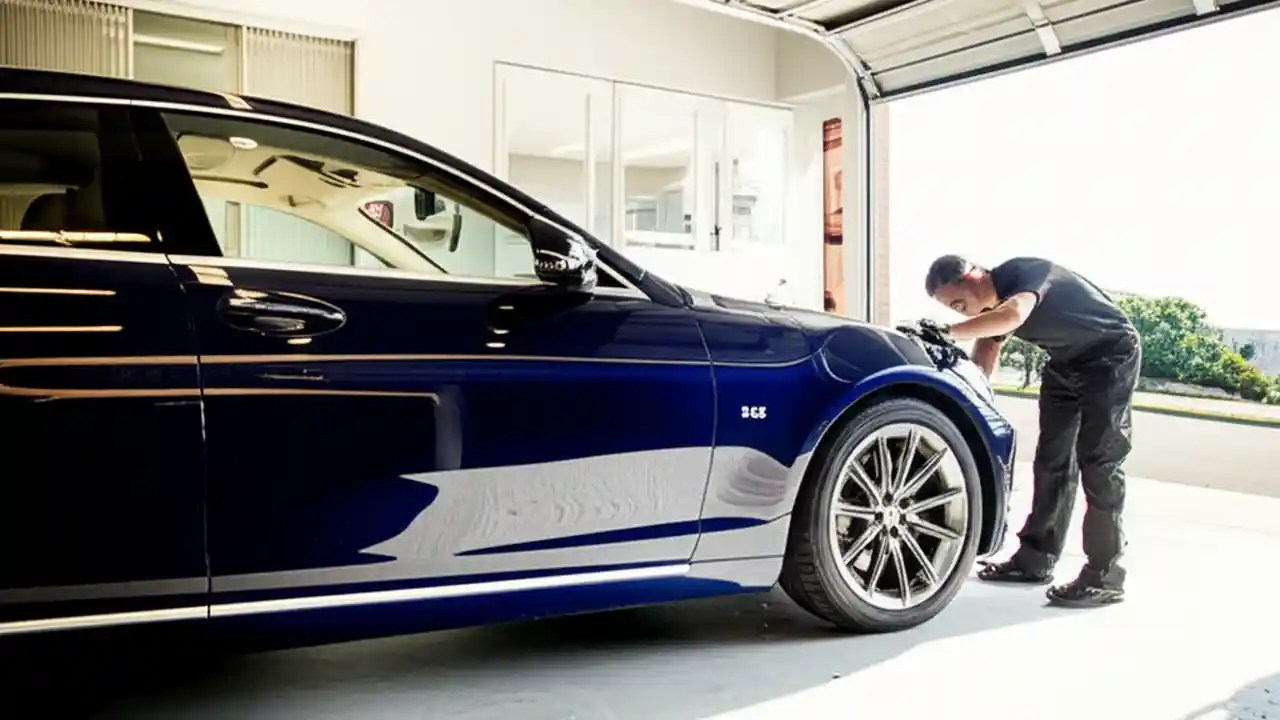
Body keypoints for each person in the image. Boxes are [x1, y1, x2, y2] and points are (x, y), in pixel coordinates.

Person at [919, 255, 1141, 608]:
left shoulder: (1025, 274)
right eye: (953, 310)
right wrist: (971, 401)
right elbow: (989, 344)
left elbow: (1011, 316)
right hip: (1065, 363)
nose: (961, 314)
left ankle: (1106, 576)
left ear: (973, 275)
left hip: (1109, 355)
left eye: (959, 303)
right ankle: (1035, 560)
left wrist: (947, 332)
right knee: (1052, 460)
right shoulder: (995, 307)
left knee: (1100, 460)